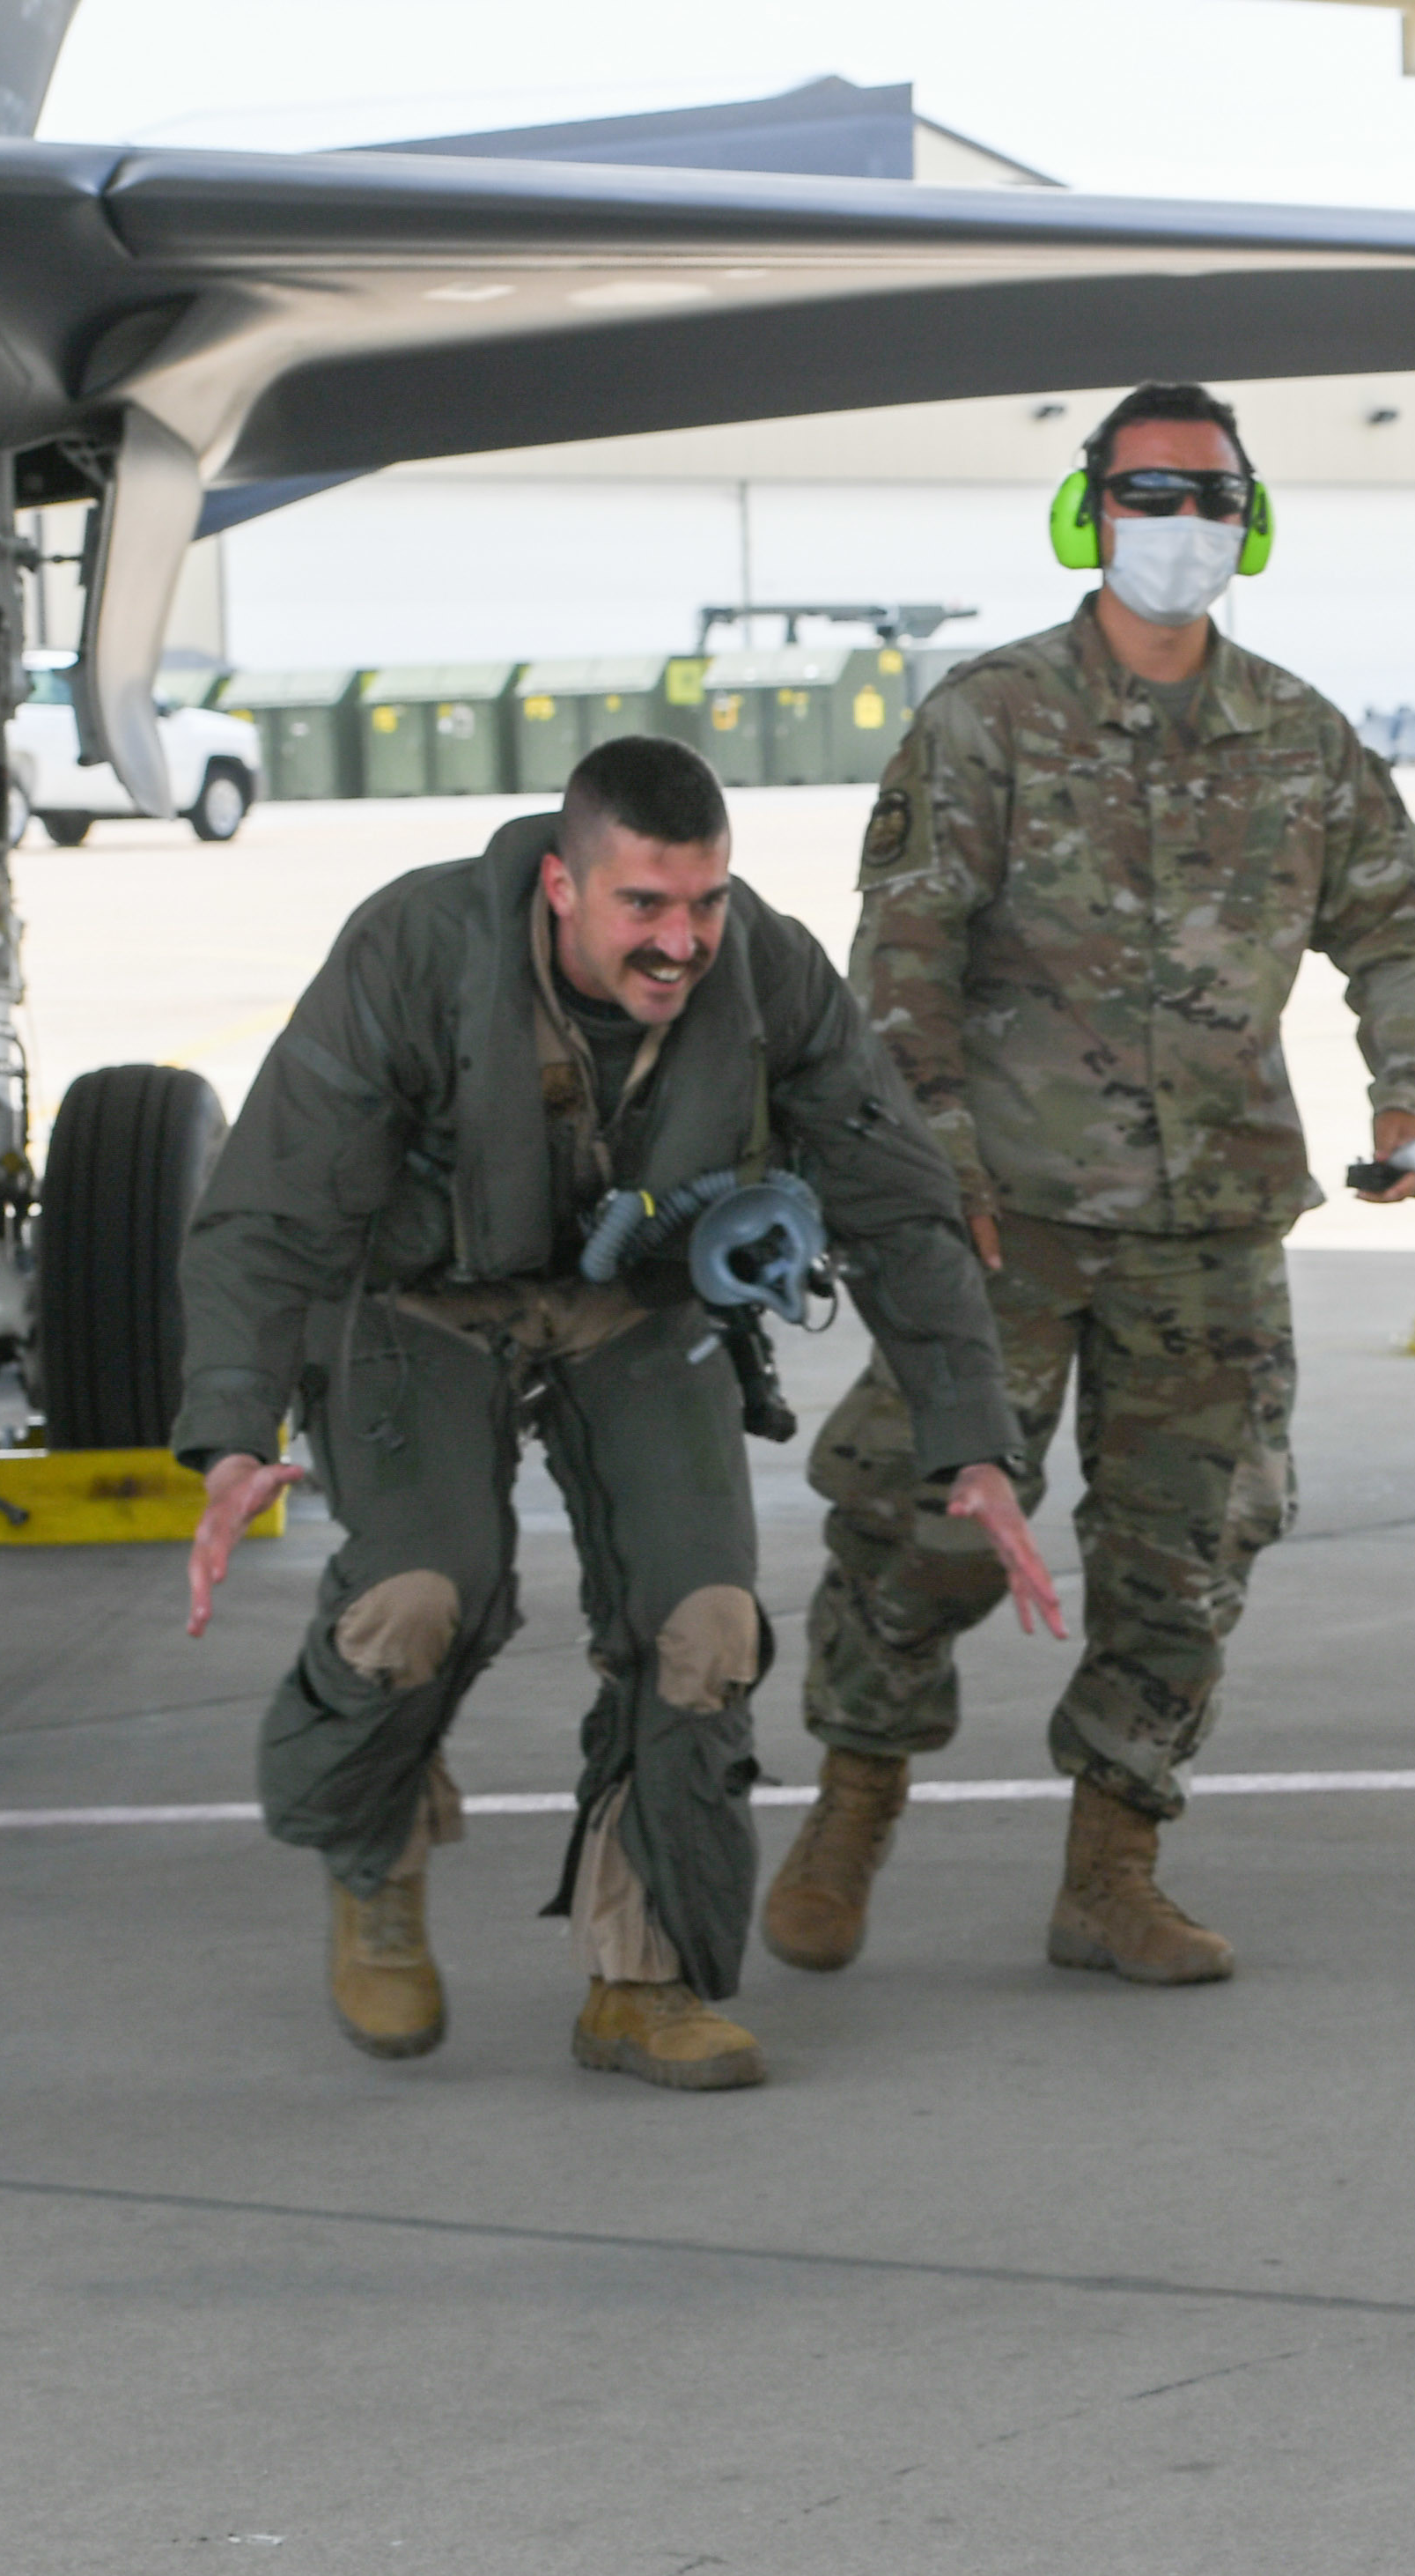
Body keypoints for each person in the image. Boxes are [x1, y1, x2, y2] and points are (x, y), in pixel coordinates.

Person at [173, 736, 1057, 2092]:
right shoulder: (414, 950)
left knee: (704, 1623)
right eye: (644, 905)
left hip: (635, 1307)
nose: (683, 940)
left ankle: (643, 1981)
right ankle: (374, 1858)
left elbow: (896, 1197)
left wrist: (971, 1435)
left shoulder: (764, 968)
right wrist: (236, 1427)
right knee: (417, 1594)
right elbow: (271, 1207)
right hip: (419, 1300)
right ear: (560, 886)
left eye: (704, 902)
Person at [767, 381, 1415, 1991]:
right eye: (1148, 493)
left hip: (1212, 1222)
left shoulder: (1297, 735)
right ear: (1091, 514)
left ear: (1250, 519)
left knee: (1185, 1552)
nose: (1181, 526)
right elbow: (904, 954)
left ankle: (1113, 1867)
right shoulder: (986, 717)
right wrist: (930, 1170)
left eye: (1209, 496)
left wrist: (1411, 1089)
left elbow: (1400, 918)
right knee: (922, 1520)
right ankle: (852, 1803)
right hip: (1005, 1216)